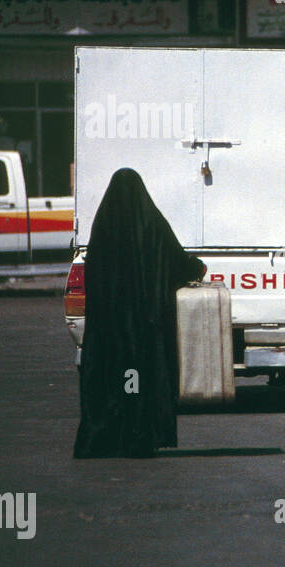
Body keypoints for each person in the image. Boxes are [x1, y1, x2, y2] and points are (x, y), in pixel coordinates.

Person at [73, 168, 206, 459]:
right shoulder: (151, 224)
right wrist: (197, 268)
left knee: (111, 378)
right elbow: (177, 260)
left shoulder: (103, 228)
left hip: (108, 329)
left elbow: (93, 274)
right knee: (136, 380)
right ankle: (137, 436)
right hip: (143, 327)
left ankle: (104, 437)